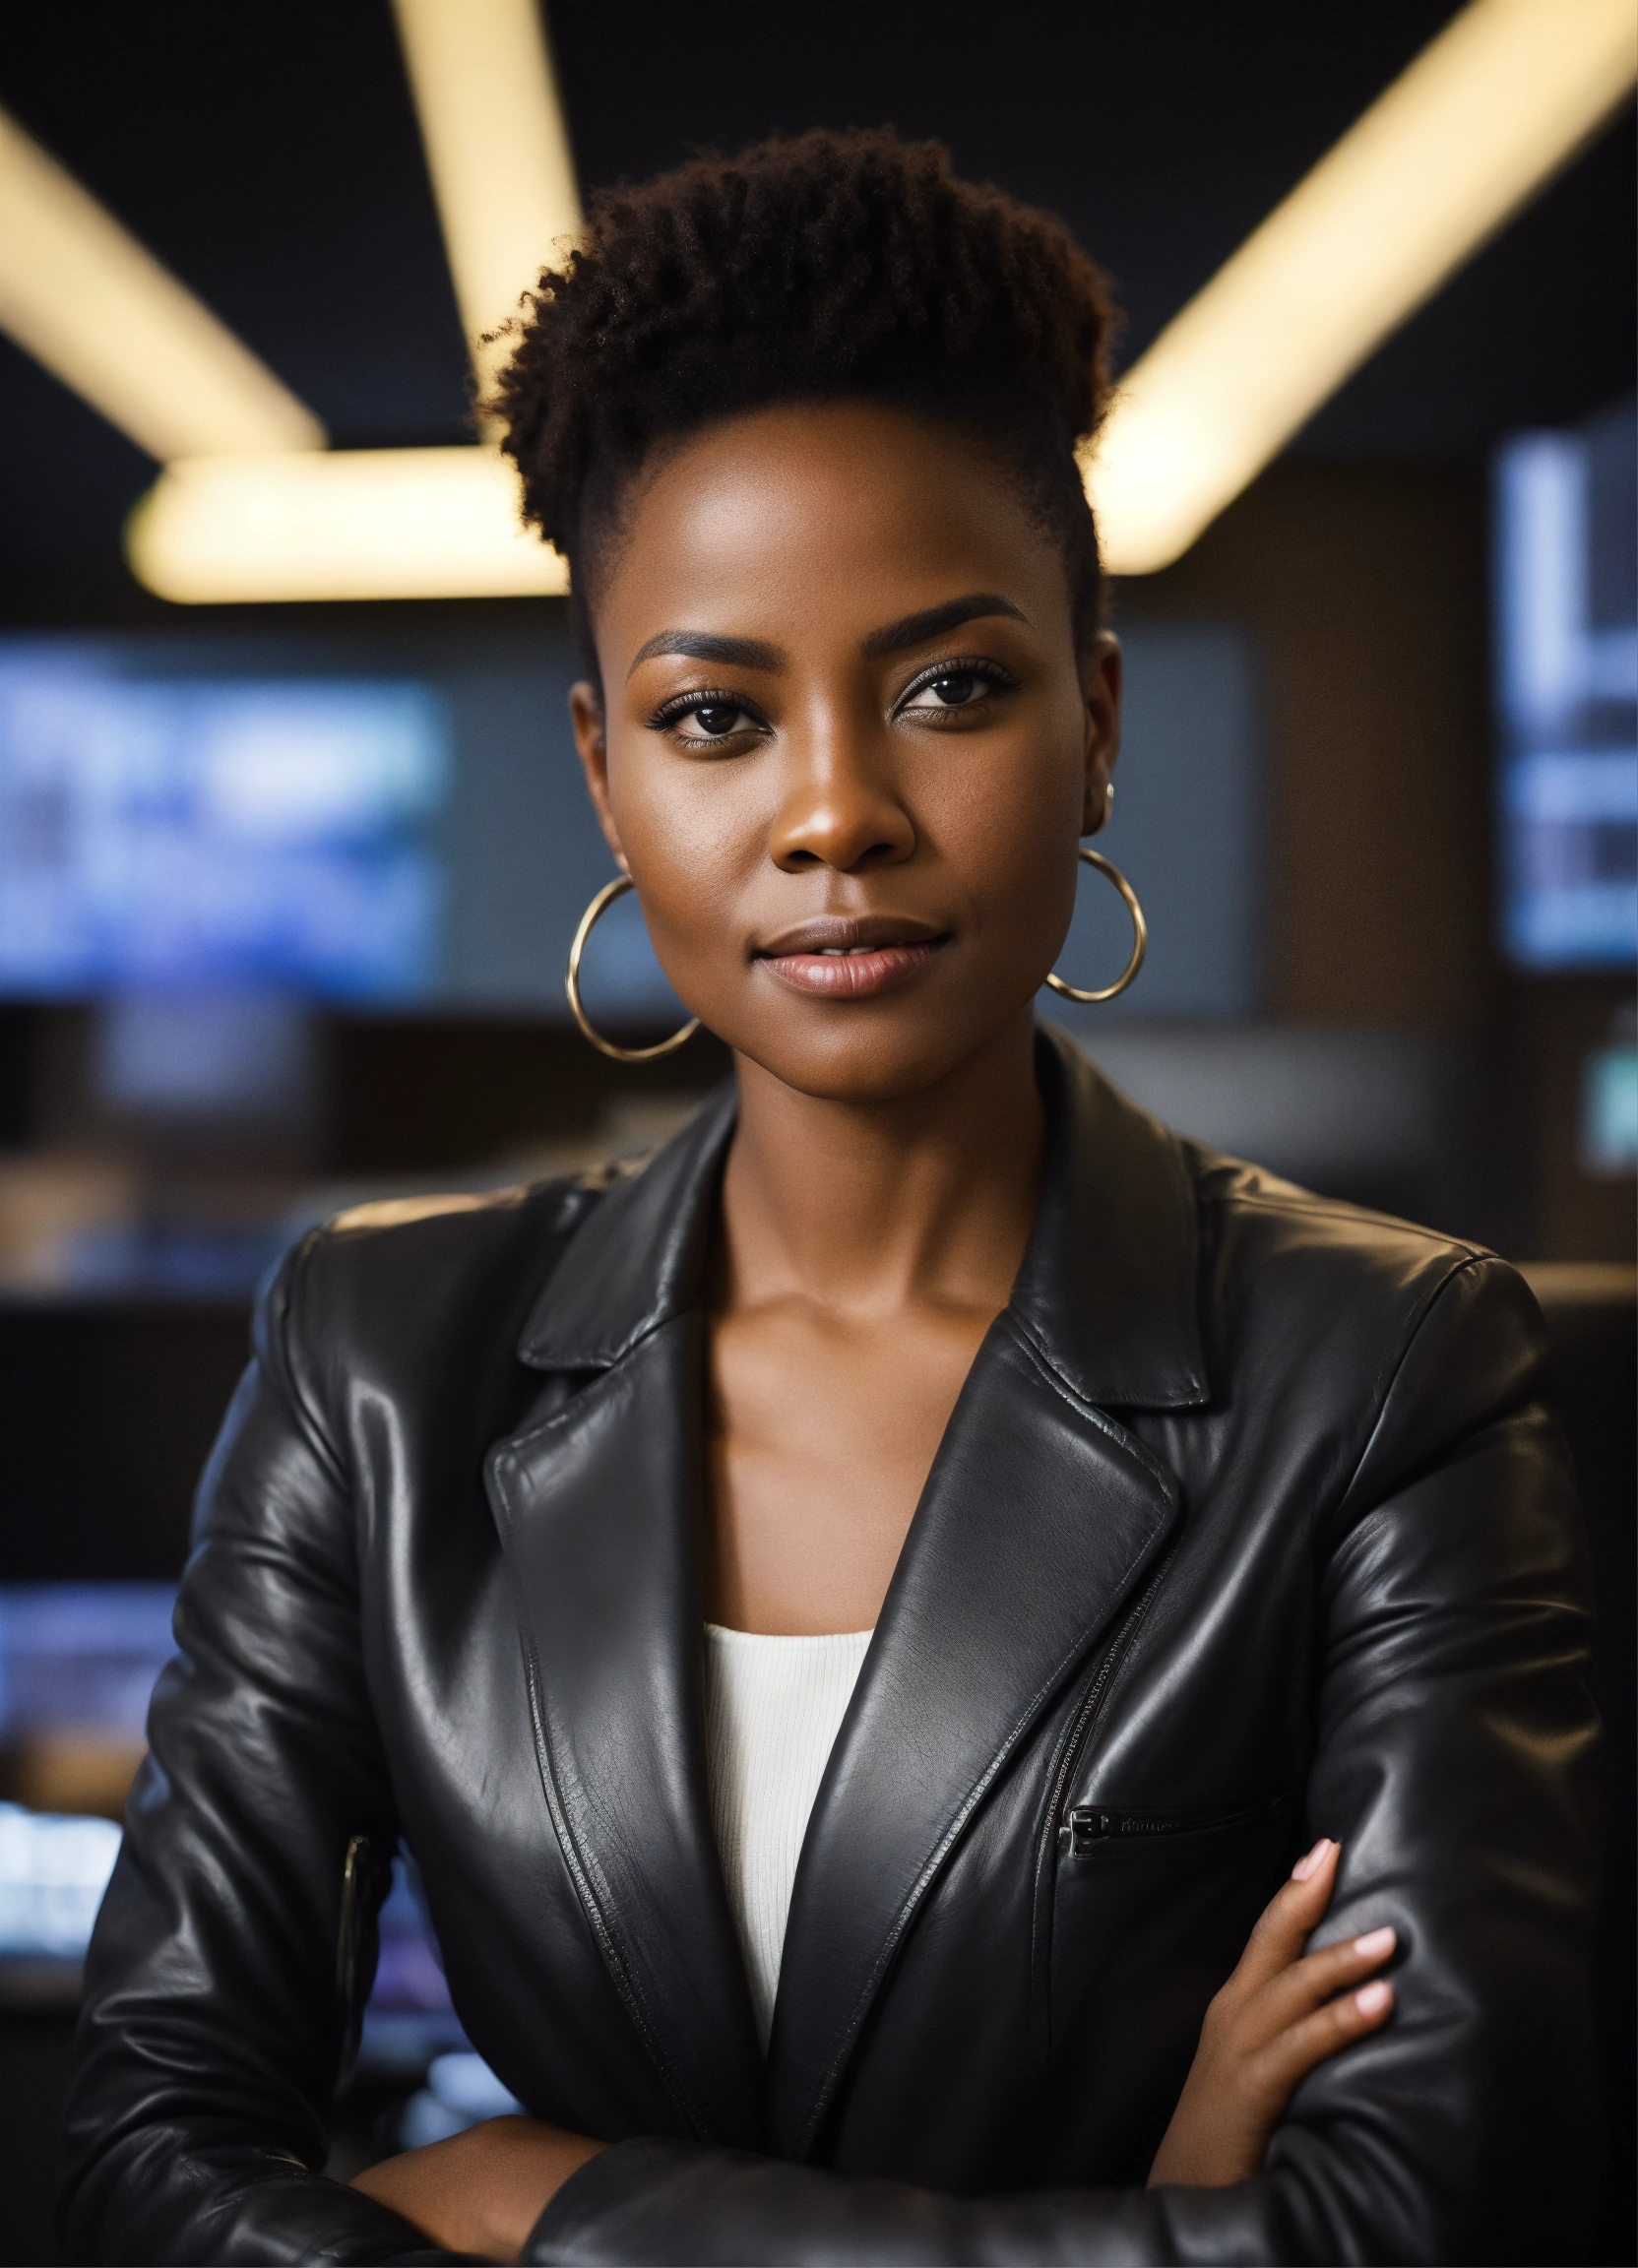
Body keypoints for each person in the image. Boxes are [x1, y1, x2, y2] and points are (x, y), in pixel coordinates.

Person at [61, 130, 1600, 2266]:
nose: (836, 815)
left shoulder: (1379, 1368)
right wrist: (1138, 2222)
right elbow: (144, 2163)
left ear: (1097, 720)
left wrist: (551, 2201)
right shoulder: (381, 1359)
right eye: (715, 715)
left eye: (951, 688)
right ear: (604, 769)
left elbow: (1416, 2224)